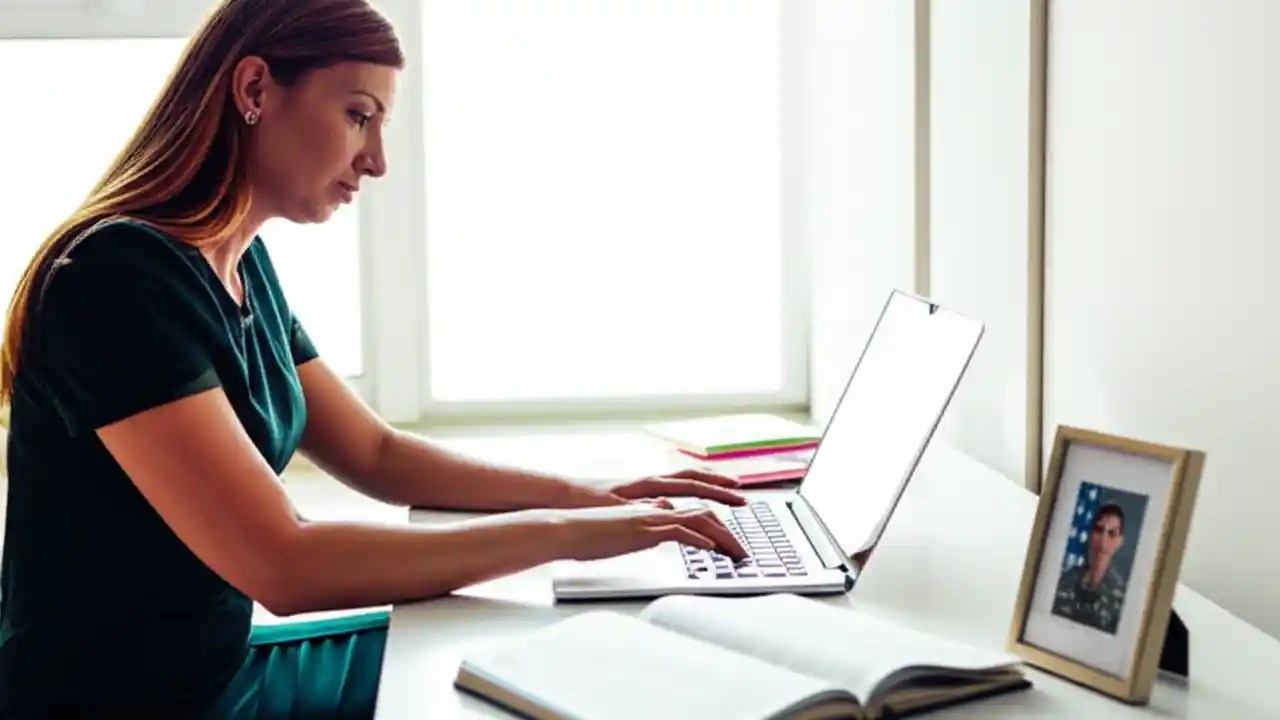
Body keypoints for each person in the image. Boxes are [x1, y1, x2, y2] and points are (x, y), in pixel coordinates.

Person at [0, 1, 749, 717]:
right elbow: (284, 565)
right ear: (255, 89)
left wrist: (598, 497)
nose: (378, 161)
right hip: (126, 708)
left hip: (224, 675)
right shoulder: (113, 281)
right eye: (358, 115)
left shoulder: (238, 263)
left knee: (548, 651)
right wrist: (568, 535)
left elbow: (377, 455)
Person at [1052, 502, 1128, 634]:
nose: (1103, 540)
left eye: (1112, 533)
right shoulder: (1065, 580)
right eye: (1099, 530)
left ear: (1119, 542)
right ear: (1090, 534)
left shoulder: (1122, 598)